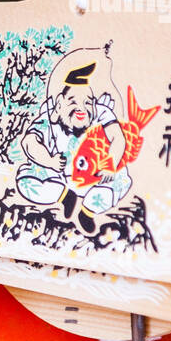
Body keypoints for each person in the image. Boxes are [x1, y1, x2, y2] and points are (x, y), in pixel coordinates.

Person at [15, 48, 131, 233]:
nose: (81, 108)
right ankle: (64, 197)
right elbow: (29, 142)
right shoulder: (50, 116)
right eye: (73, 101)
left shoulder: (101, 113)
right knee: (26, 182)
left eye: (87, 102)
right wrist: (49, 161)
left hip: (93, 178)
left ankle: (88, 210)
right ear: (59, 102)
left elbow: (118, 138)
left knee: (118, 183)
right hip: (57, 177)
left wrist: (110, 163)